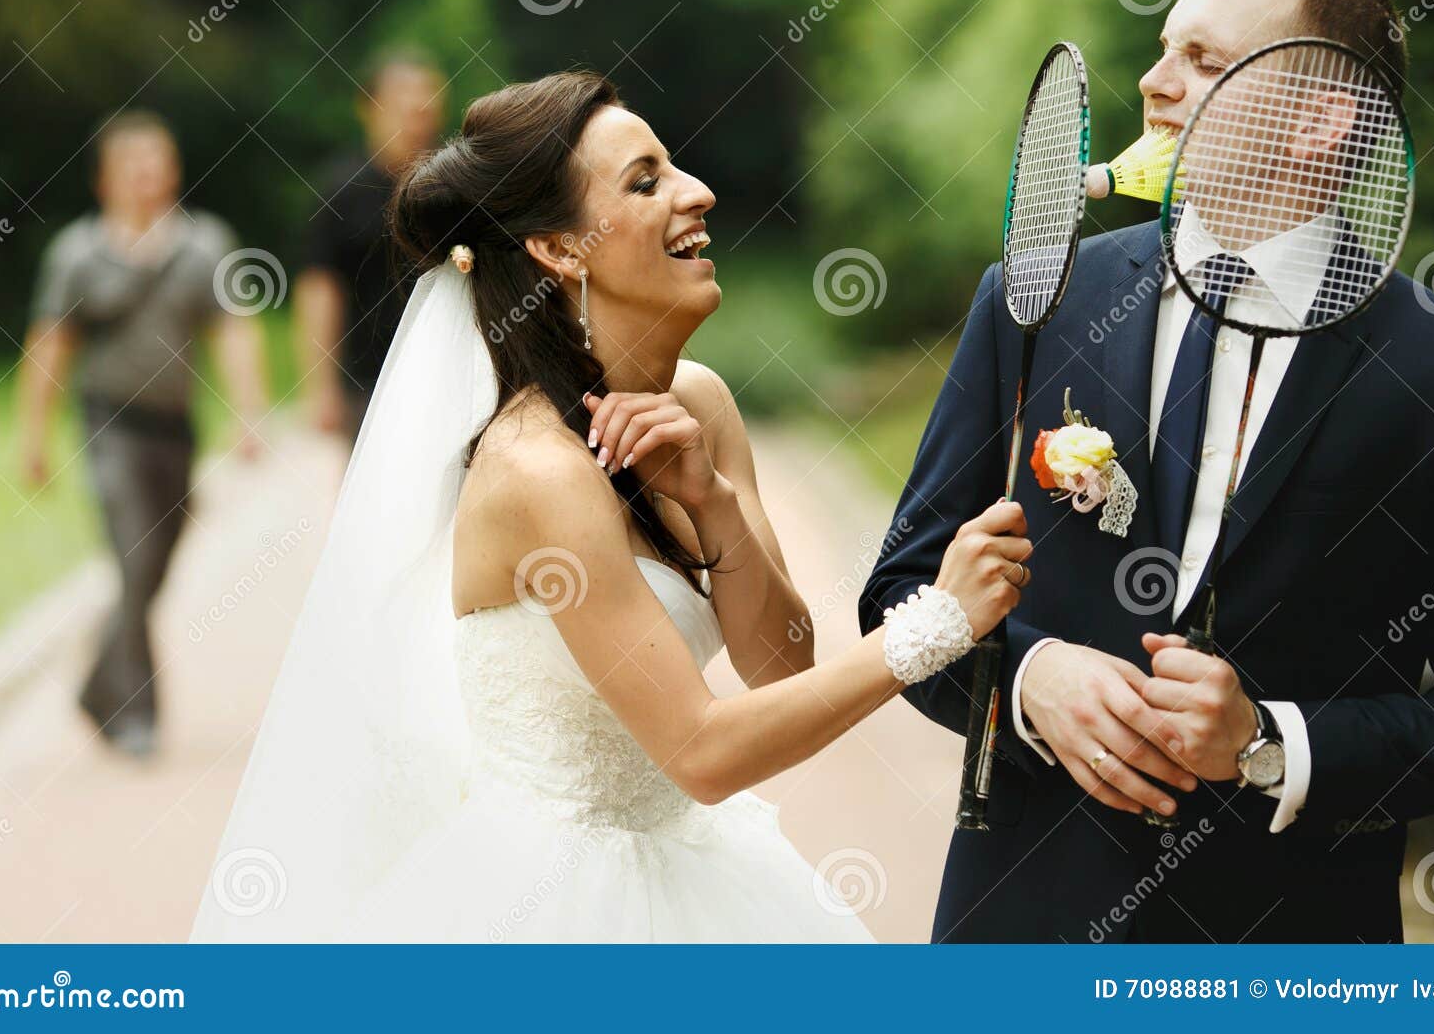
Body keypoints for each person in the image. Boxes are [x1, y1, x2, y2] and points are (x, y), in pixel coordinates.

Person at [190, 71, 1032, 942]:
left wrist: (715, 506)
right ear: (561, 249)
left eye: (674, 168)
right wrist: (935, 624)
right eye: (645, 181)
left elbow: (782, 671)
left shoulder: (700, 404)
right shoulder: (537, 474)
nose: (696, 193)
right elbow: (702, 751)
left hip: (692, 863)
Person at [862, 0, 1434, 943]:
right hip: (1023, 921)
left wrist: (1268, 742)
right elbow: (899, 589)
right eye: (1165, 49)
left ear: (1321, 122)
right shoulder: (1038, 295)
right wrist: (1030, 680)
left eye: (1203, 60)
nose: (1154, 83)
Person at [17, 111, 269, 758]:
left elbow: (234, 329)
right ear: (104, 179)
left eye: (156, 162)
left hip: (175, 430)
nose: (146, 175)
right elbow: (50, 344)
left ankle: (95, 686)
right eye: (132, 164)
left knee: (152, 569)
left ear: (174, 170)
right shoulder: (77, 254)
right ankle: (136, 713)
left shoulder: (204, 245)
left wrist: (249, 413)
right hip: (109, 424)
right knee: (134, 558)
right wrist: (34, 438)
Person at [293, 47, 446, 438]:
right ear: (370, 108)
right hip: (366, 384)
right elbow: (320, 288)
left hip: (445, 376)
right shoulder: (342, 192)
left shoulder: (455, 189)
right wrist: (320, 386)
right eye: (403, 107)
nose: (415, 118)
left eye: (425, 107)